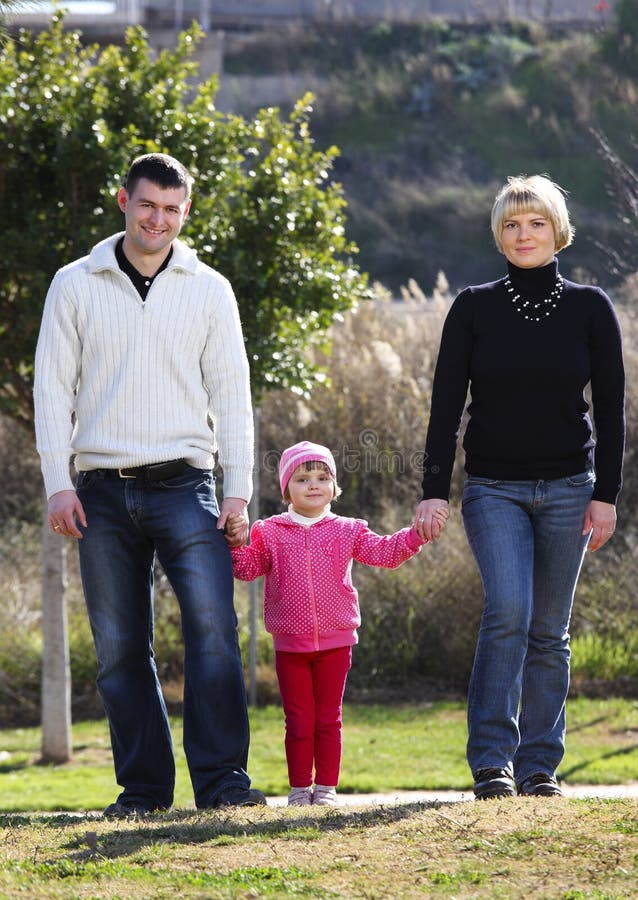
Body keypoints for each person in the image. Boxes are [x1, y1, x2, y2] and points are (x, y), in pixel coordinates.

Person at [33, 152, 265, 816]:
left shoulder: (209, 288)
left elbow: (234, 395)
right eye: (146, 206)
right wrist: (59, 482)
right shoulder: (74, 284)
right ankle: (142, 791)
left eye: (171, 209)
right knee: (117, 649)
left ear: (185, 212)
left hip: (188, 485)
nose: (157, 220)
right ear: (122, 202)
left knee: (215, 634)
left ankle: (223, 785)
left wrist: (238, 491)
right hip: (99, 492)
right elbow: (50, 390)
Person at [414, 175, 625, 801]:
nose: (523, 234)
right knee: (508, 611)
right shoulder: (473, 307)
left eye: (535, 223)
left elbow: (612, 411)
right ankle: (492, 763)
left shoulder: (592, 308)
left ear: (557, 230)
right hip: (494, 489)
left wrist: (605, 495)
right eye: (511, 224)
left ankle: (538, 766)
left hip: (570, 489)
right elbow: (446, 405)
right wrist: (434, 489)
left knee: (550, 630)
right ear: (498, 237)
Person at [226, 440, 448, 806]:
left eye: (321, 476)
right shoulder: (270, 531)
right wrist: (234, 544)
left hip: (336, 642)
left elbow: (385, 553)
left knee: (328, 719)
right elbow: (248, 569)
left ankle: (326, 789)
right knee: (298, 721)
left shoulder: (348, 529)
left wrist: (416, 535)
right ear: (286, 490)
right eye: (301, 478)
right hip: (290, 644)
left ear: (333, 486)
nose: (313, 484)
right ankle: (299, 790)